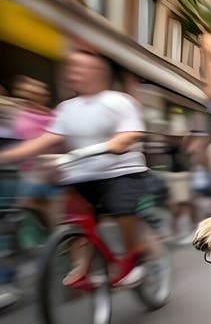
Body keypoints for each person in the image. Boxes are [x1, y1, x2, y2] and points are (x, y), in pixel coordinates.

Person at [0, 50, 150, 286]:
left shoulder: (119, 101)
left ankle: (131, 259)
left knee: (123, 208)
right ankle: (82, 268)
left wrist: (113, 144)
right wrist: (7, 156)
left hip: (121, 172)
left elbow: (130, 133)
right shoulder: (66, 108)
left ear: (99, 72)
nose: (73, 72)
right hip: (81, 175)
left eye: (81, 67)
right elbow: (44, 140)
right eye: (71, 67)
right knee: (77, 223)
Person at [11, 76, 61, 226]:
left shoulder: (23, 118)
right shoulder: (54, 117)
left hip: (43, 175)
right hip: (44, 175)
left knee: (28, 220)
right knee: (50, 222)